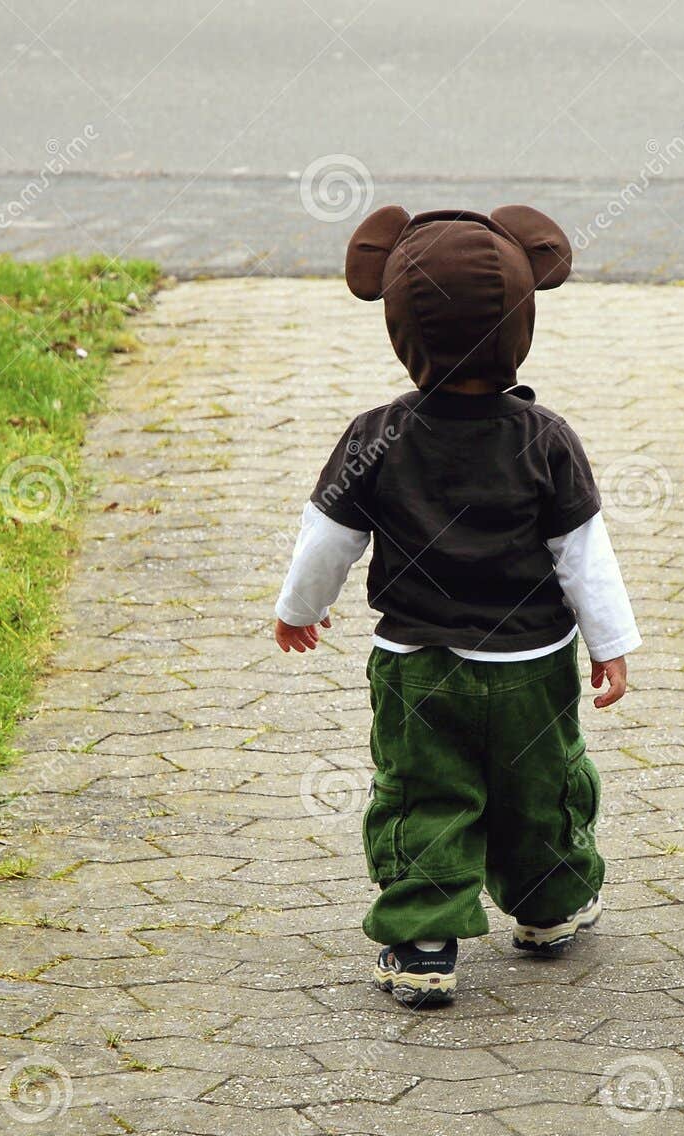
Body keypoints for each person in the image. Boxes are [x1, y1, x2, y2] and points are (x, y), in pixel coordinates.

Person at [273, 204, 640, 1006]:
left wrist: (299, 608)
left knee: (423, 795)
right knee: (541, 786)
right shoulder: (546, 438)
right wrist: (610, 645)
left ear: (402, 330)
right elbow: (584, 555)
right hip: (532, 670)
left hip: (417, 670)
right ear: (522, 324)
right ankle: (548, 909)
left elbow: (327, 537)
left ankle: (424, 940)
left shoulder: (375, 435)